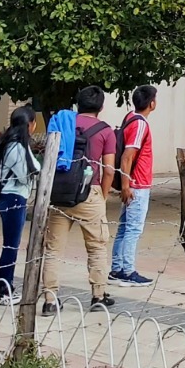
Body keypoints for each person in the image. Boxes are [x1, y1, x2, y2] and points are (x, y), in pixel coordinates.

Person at [41, 86, 116, 316]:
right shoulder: (106, 132)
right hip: (89, 191)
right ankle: (98, 296)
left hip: (60, 193)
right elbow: (110, 170)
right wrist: (101, 195)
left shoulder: (63, 124)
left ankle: (50, 300)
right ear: (101, 107)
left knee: (53, 249)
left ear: (78, 104)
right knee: (96, 247)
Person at [110, 85, 157, 287]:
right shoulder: (140, 125)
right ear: (152, 103)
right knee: (133, 229)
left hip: (132, 182)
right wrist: (126, 185)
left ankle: (117, 268)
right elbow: (128, 156)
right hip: (138, 183)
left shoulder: (129, 118)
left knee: (124, 228)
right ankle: (128, 271)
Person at [0, 109, 39, 305]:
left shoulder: (18, 144)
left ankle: (7, 287)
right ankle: (5, 290)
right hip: (12, 199)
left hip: (14, 198)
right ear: (28, 124)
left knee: (11, 244)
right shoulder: (15, 147)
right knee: (11, 245)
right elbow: (26, 173)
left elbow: (35, 167)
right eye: (34, 122)